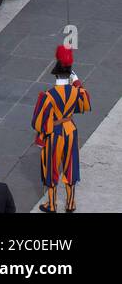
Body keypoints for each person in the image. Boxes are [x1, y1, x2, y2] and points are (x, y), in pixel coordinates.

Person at [33, 45, 91, 213]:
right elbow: (85, 102)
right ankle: (70, 203)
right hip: (70, 130)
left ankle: (51, 204)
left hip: (54, 133)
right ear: (69, 75)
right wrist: (77, 81)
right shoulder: (76, 91)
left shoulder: (48, 95)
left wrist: (41, 135)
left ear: (56, 74)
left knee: (50, 167)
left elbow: (38, 121)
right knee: (70, 165)